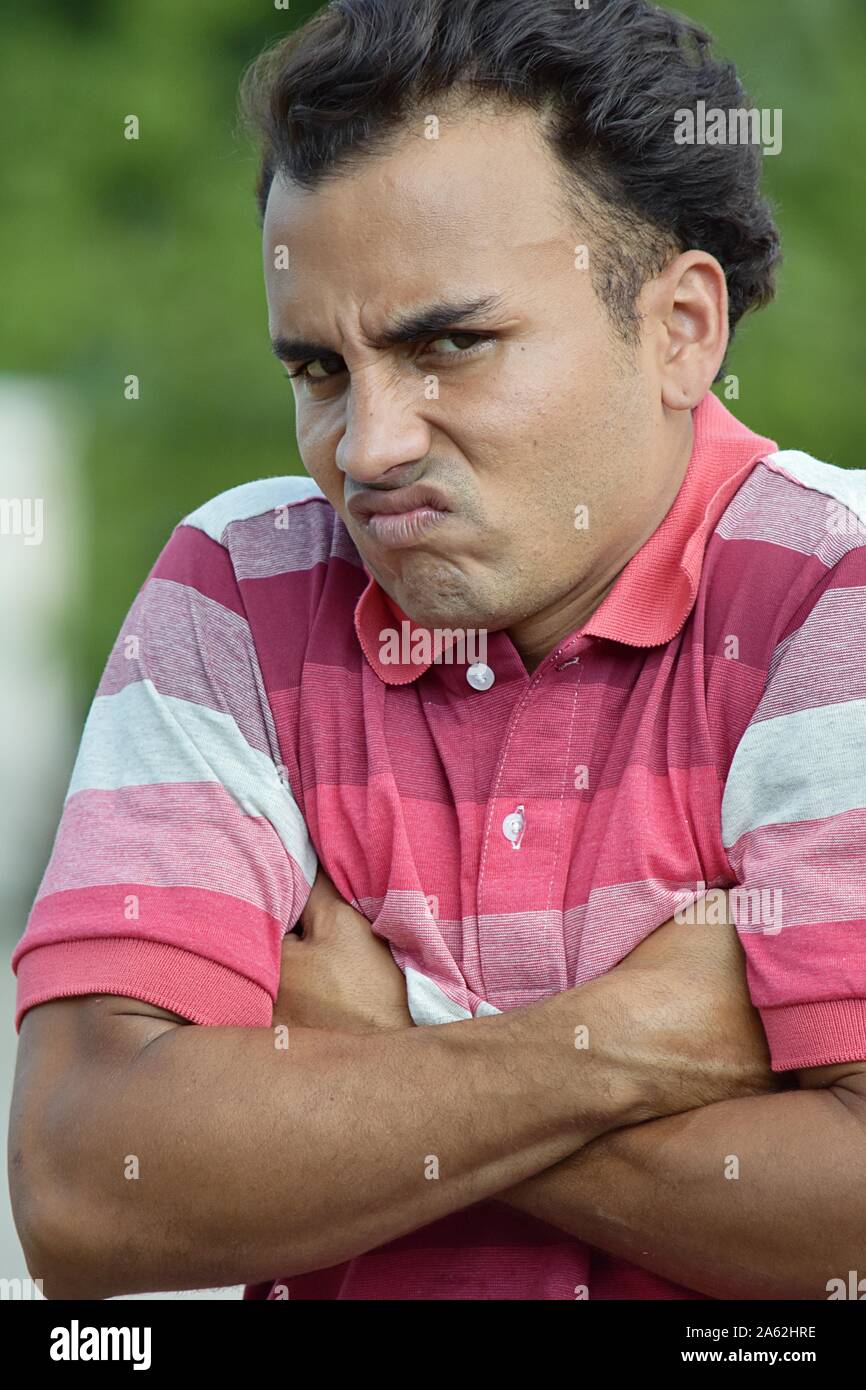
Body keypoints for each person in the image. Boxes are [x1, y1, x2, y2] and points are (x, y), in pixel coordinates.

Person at [10, 0, 866, 1301]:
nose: (366, 447)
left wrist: (384, 1038)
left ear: (681, 329)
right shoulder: (236, 588)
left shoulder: (830, 590)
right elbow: (83, 1183)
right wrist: (612, 1046)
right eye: (317, 370)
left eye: (448, 345)